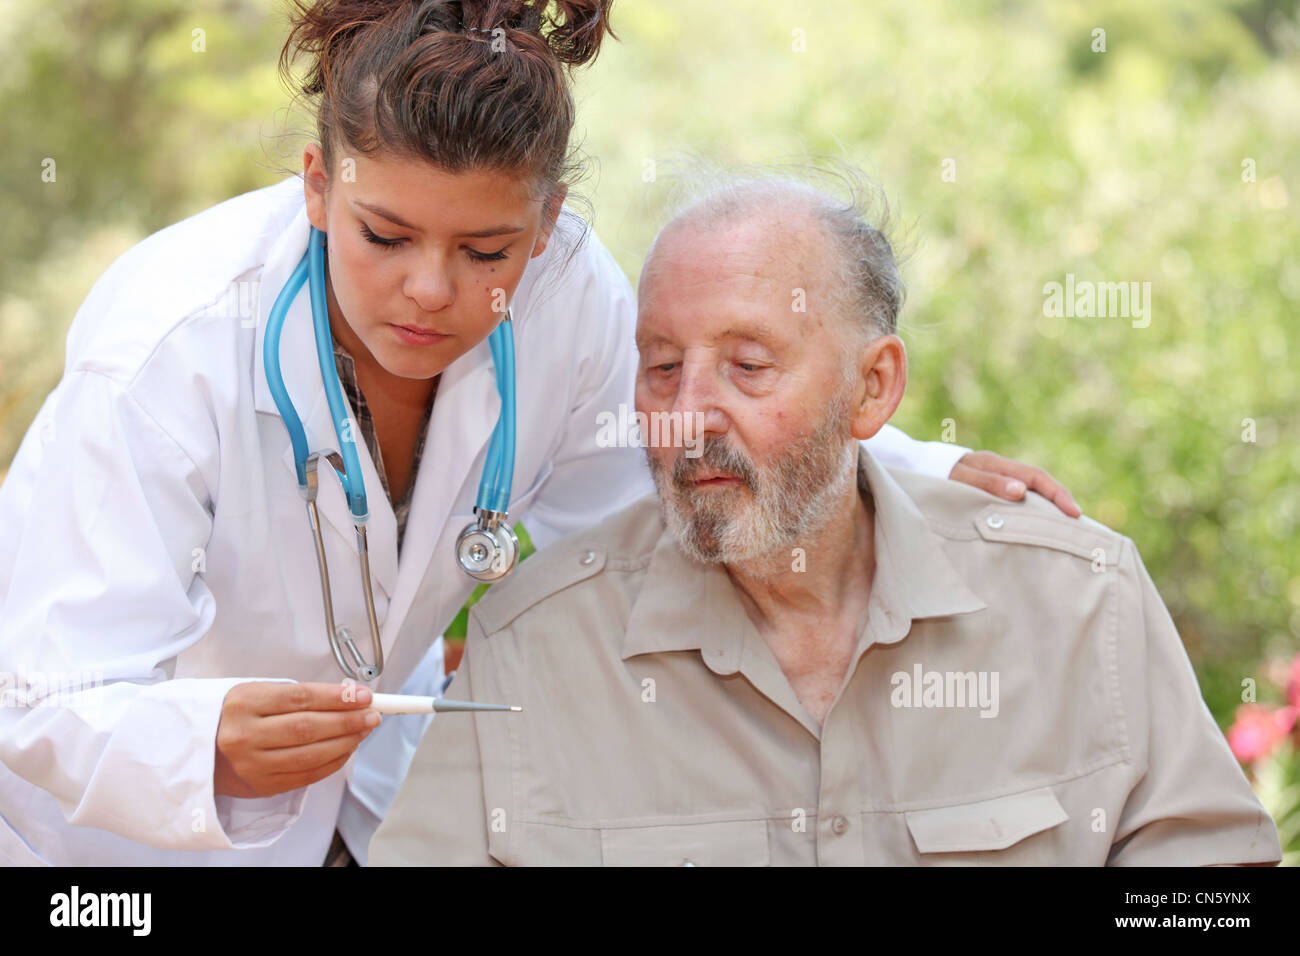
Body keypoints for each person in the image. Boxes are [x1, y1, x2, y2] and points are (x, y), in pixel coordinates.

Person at [0, 0, 1073, 867]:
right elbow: (44, 697)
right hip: (98, 854)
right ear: (320, 186)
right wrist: (209, 742)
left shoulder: (565, 294)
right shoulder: (166, 348)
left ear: (547, 223)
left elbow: (664, 463)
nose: (429, 290)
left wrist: (902, 461)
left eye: (485, 249)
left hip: (372, 809)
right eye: (384, 235)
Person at [370, 170, 1282, 867]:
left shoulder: (1081, 601)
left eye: (749, 366)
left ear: (873, 387)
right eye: (660, 368)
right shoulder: (534, 644)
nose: (690, 413)